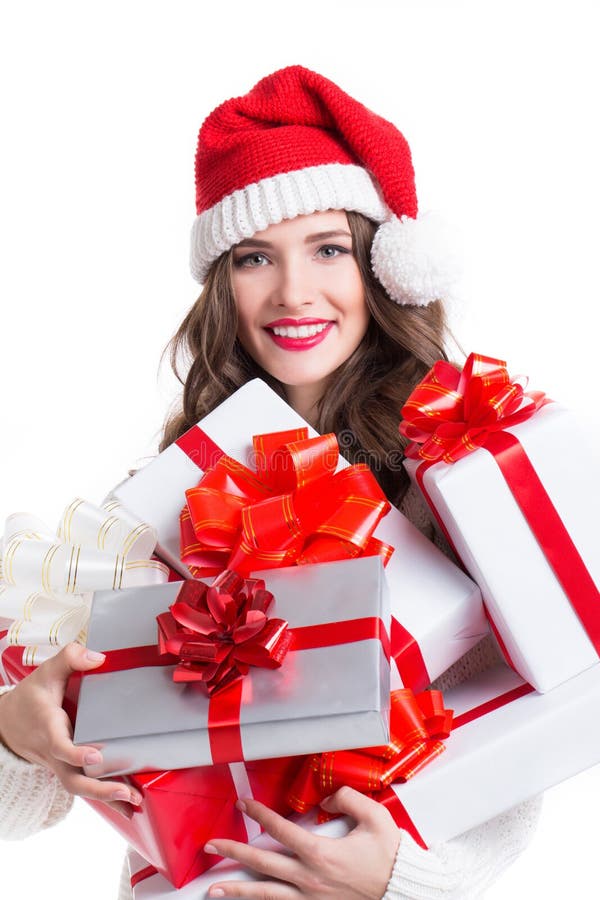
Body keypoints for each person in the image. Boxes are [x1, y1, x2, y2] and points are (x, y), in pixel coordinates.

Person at [0, 65, 541, 899]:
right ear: (224, 284)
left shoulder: (460, 477)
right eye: (256, 257)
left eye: (329, 249)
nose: (293, 292)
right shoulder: (173, 491)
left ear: (386, 267)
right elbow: (41, 799)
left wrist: (399, 880)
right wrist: (17, 733)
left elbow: (525, 737)